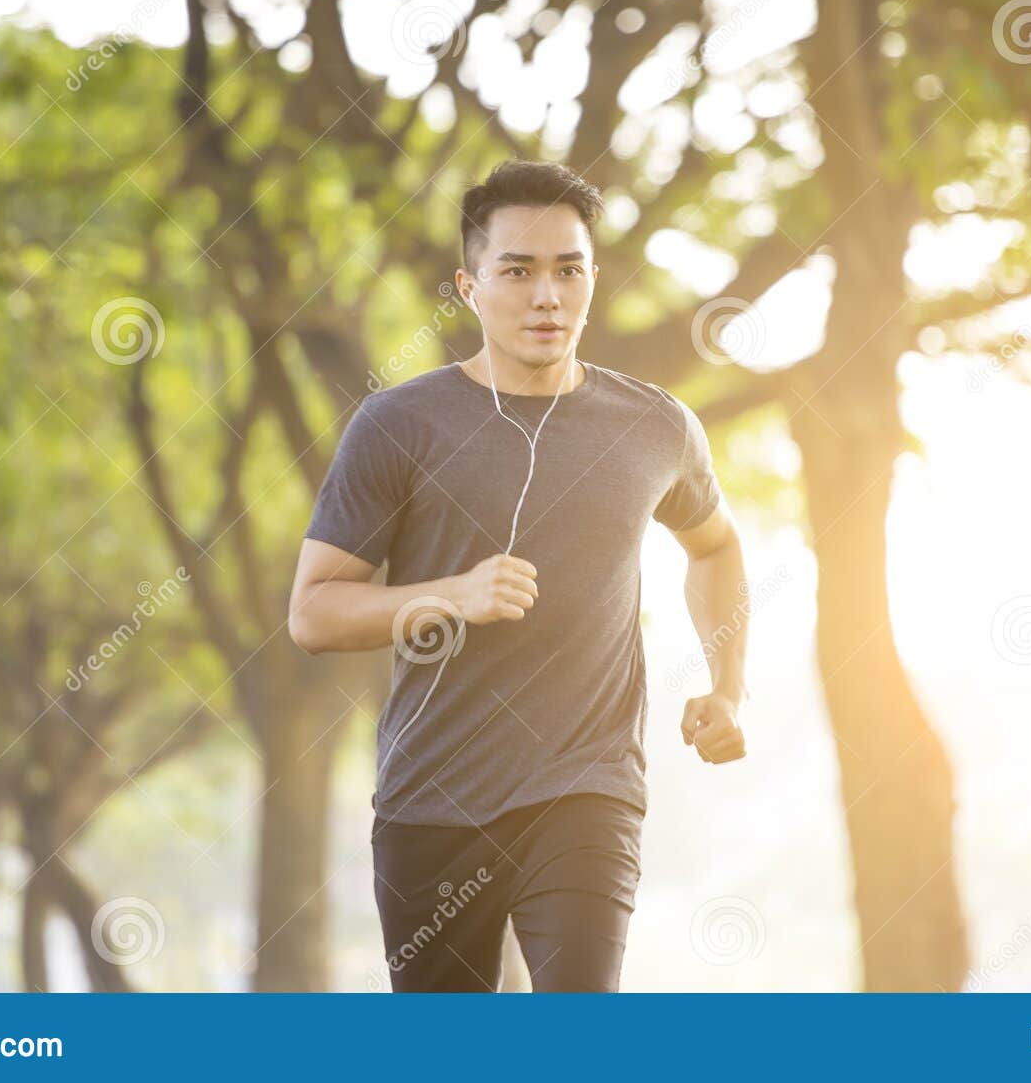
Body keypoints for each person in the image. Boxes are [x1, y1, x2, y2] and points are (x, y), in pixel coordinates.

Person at [288, 159, 750, 992]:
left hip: (588, 787)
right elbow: (313, 614)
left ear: (593, 281)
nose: (547, 296)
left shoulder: (655, 426)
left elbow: (714, 546)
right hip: (432, 798)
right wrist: (450, 596)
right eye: (518, 271)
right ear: (469, 286)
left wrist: (728, 685)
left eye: (569, 270)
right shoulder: (398, 426)